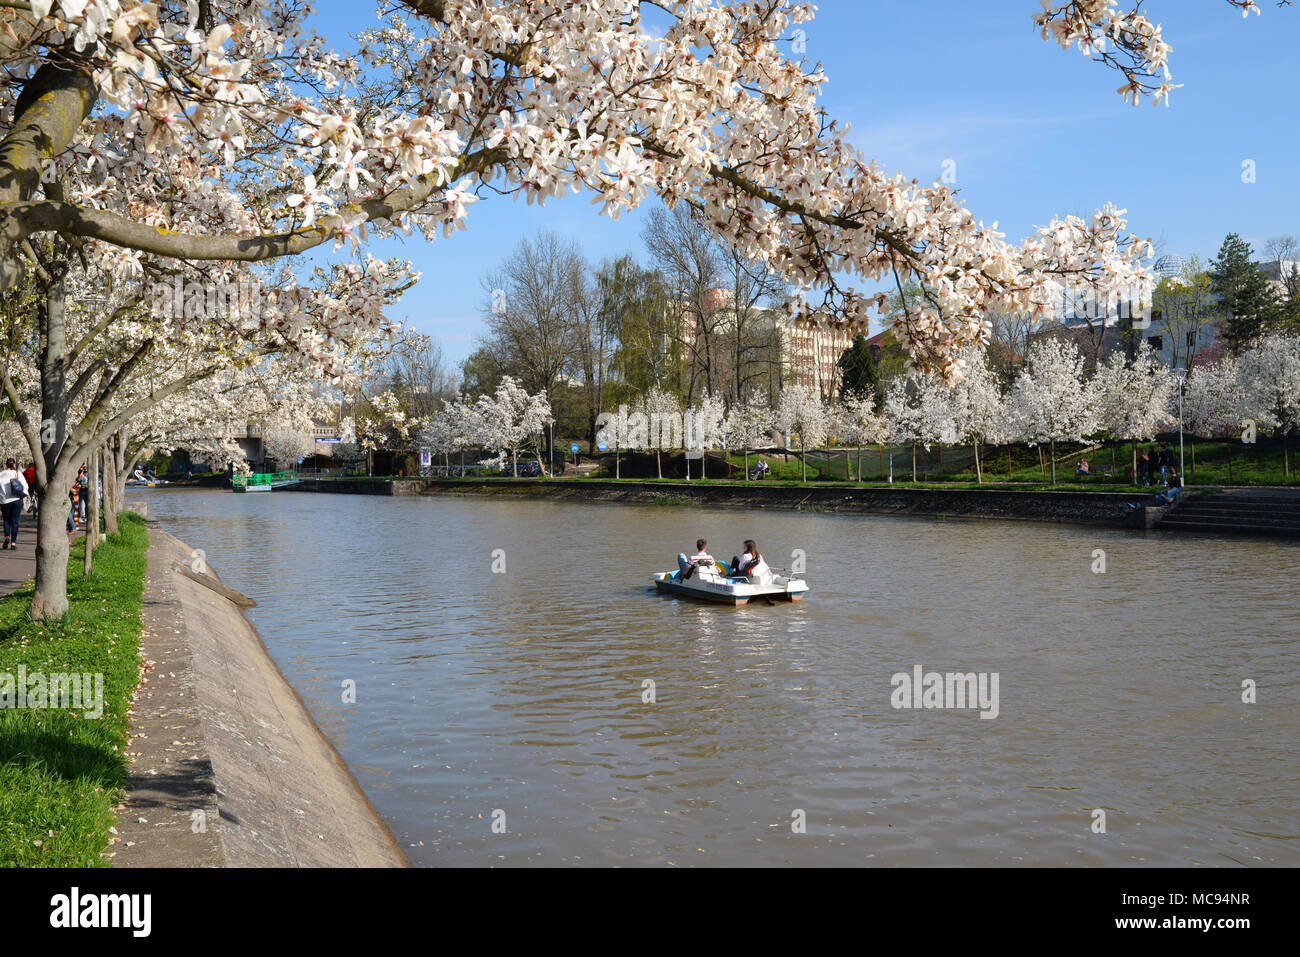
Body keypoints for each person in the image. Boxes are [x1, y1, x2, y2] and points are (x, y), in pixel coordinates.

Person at [0, 458, 29, 549]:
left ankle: (7, 537)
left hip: (4, 501)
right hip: (16, 500)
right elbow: (25, 486)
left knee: (6, 520)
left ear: (6, 465)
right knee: (15, 521)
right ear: (14, 464)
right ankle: (13, 543)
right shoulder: (17, 473)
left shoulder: (0, 474)